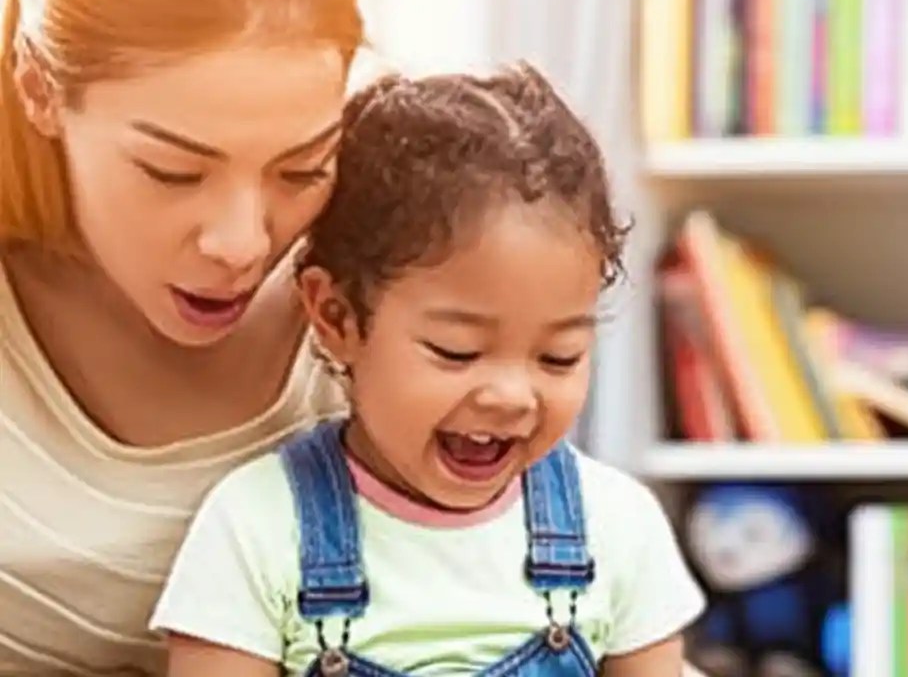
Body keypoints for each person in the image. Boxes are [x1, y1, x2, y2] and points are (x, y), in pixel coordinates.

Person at [148, 64, 706, 677]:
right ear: (337, 317)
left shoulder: (618, 528)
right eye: (456, 351)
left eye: (558, 357)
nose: (512, 396)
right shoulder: (256, 527)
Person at [0, 0, 364, 673]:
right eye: (174, 172)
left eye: (301, 170)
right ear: (39, 87)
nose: (243, 244)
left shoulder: (397, 260)